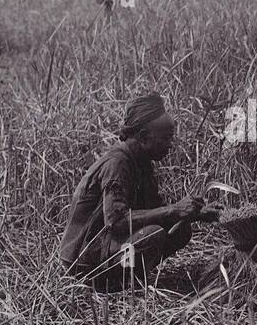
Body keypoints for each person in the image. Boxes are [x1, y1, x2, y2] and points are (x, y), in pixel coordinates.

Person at [60, 92, 218, 291]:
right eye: (166, 138)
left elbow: (152, 208)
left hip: (102, 246)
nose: (170, 145)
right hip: (82, 261)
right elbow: (116, 222)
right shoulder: (117, 164)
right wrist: (173, 210)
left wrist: (194, 214)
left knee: (181, 229)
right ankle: (118, 284)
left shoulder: (141, 162)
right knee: (151, 234)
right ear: (143, 136)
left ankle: (126, 277)